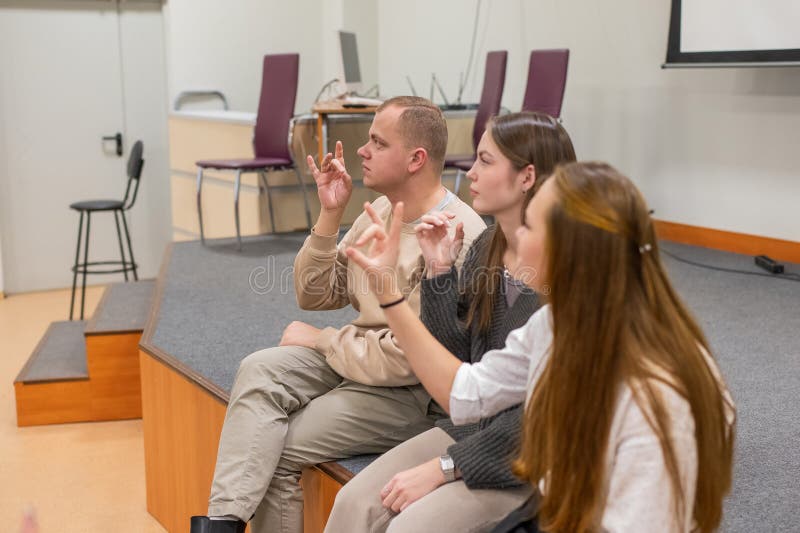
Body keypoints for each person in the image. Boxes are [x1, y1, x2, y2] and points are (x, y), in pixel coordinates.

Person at [345, 161, 736, 532]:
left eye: (528, 226)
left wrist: (448, 467)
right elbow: (464, 392)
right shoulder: (555, 324)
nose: (515, 235)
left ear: (567, 251)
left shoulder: (655, 396)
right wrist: (389, 293)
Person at [190, 96, 487, 533]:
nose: (362, 151)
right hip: (358, 357)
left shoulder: (455, 234)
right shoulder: (381, 210)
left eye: (378, 143)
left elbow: (407, 359)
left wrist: (321, 340)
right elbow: (315, 294)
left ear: (416, 159)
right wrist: (330, 215)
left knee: (274, 448)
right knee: (258, 368)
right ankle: (222, 523)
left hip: (410, 393)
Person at [325, 112, 576, 532]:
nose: (470, 172)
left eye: (485, 161)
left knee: (410, 527)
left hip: (531, 456)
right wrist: (440, 272)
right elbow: (455, 370)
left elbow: (545, 419)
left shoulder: (566, 277)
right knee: (353, 502)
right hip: (473, 429)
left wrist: (448, 466)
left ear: (527, 176)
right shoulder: (487, 246)